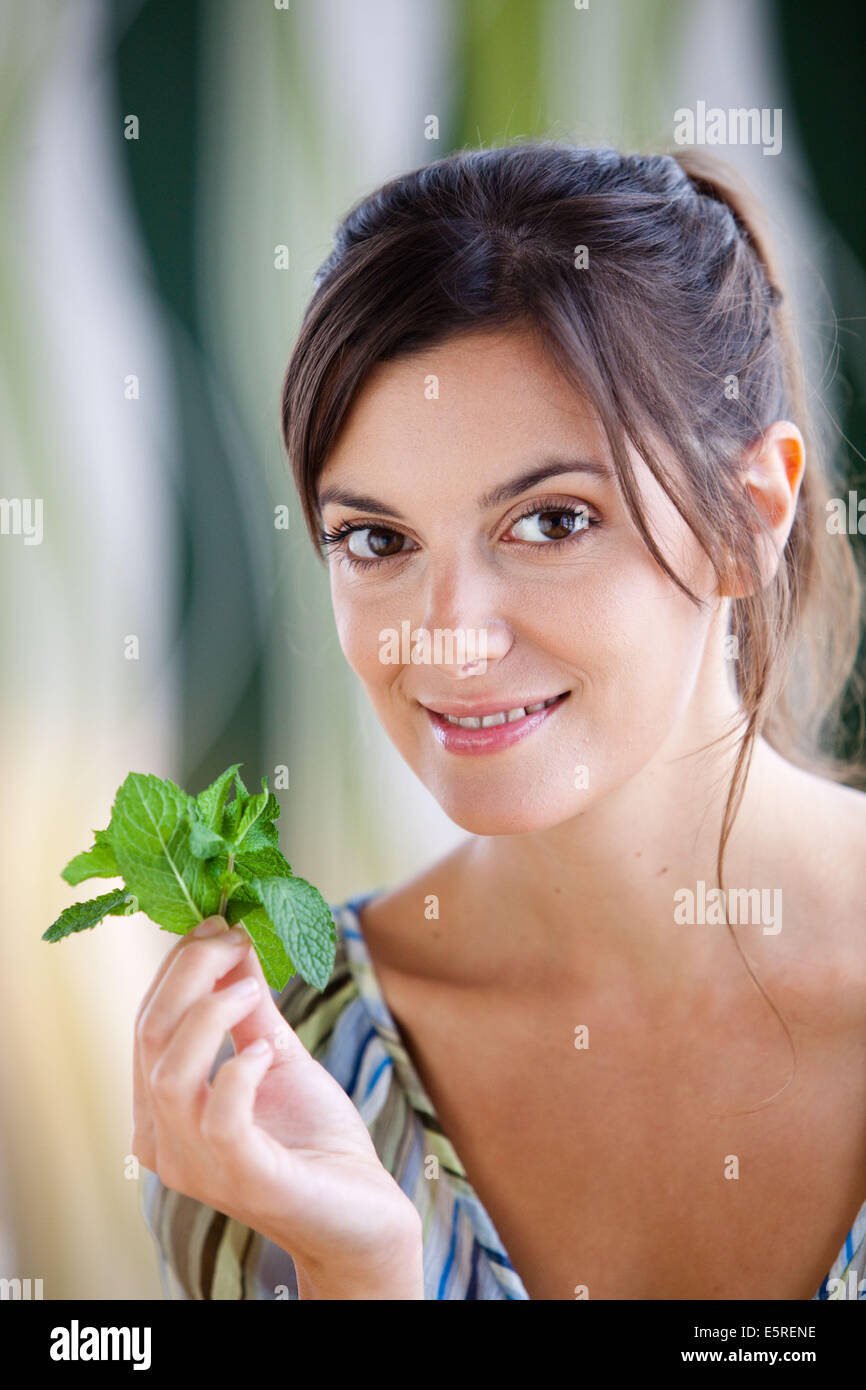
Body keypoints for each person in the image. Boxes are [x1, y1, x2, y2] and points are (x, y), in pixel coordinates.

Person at [136, 141, 866, 1300]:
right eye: (377, 540)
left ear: (747, 514)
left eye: (550, 521)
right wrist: (360, 1273)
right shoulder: (278, 1074)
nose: (449, 639)